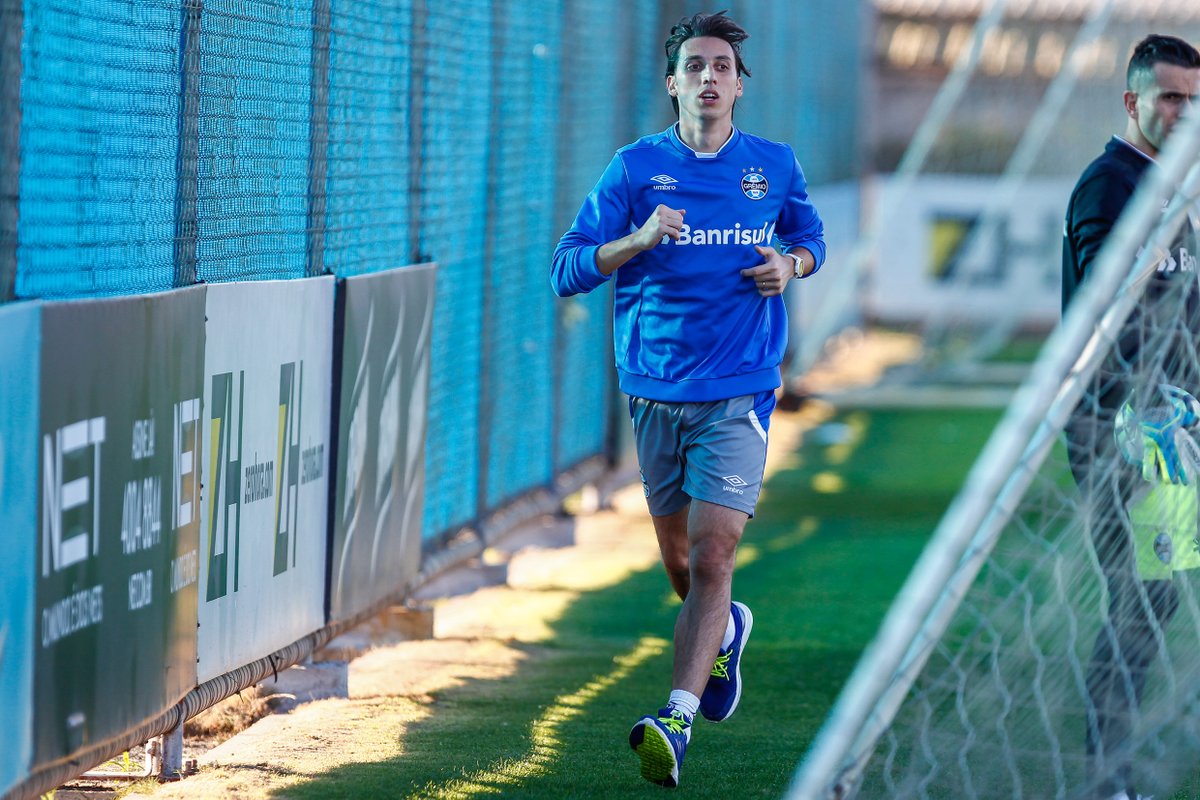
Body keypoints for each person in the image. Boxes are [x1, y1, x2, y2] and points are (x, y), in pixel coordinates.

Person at [551, 9, 825, 789]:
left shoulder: (773, 166)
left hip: (740, 389)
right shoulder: (634, 170)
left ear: (740, 86)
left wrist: (792, 266)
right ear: (672, 83)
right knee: (682, 566)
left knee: (713, 553)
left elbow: (811, 239)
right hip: (654, 391)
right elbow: (566, 268)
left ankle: (674, 717)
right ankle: (727, 629)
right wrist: (636, 242)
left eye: (721, 68)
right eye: (694, 67)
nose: (709, 78)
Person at [1062, 33, 1200, 800]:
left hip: (1168, 437)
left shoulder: (1169, 190)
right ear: (1132, 101)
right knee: (1139, 595)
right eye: (1169, 98)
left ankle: (1110, 775)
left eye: (1192, 98)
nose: (1183, 113)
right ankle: (1105, 779)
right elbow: (1103, 311)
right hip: (1118, 430)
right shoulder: (1110, 187)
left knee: (1159, 595)